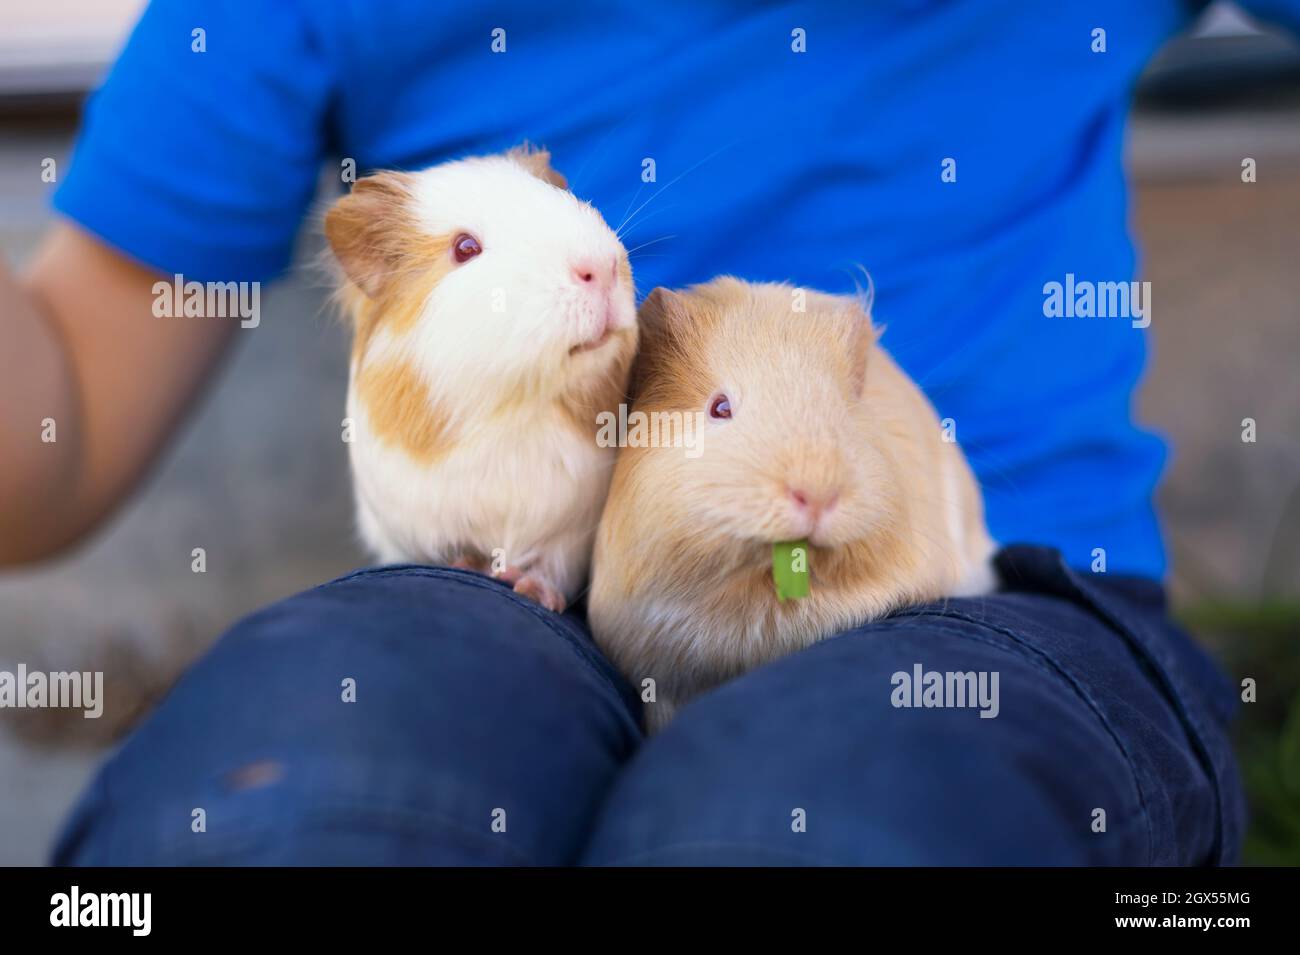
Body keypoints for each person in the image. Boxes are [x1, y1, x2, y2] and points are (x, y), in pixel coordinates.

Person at [8, 0, 1289, 864]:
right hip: (500, 575)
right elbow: (68, 382)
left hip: (992, 588)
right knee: (298, 796)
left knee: (812, 813)